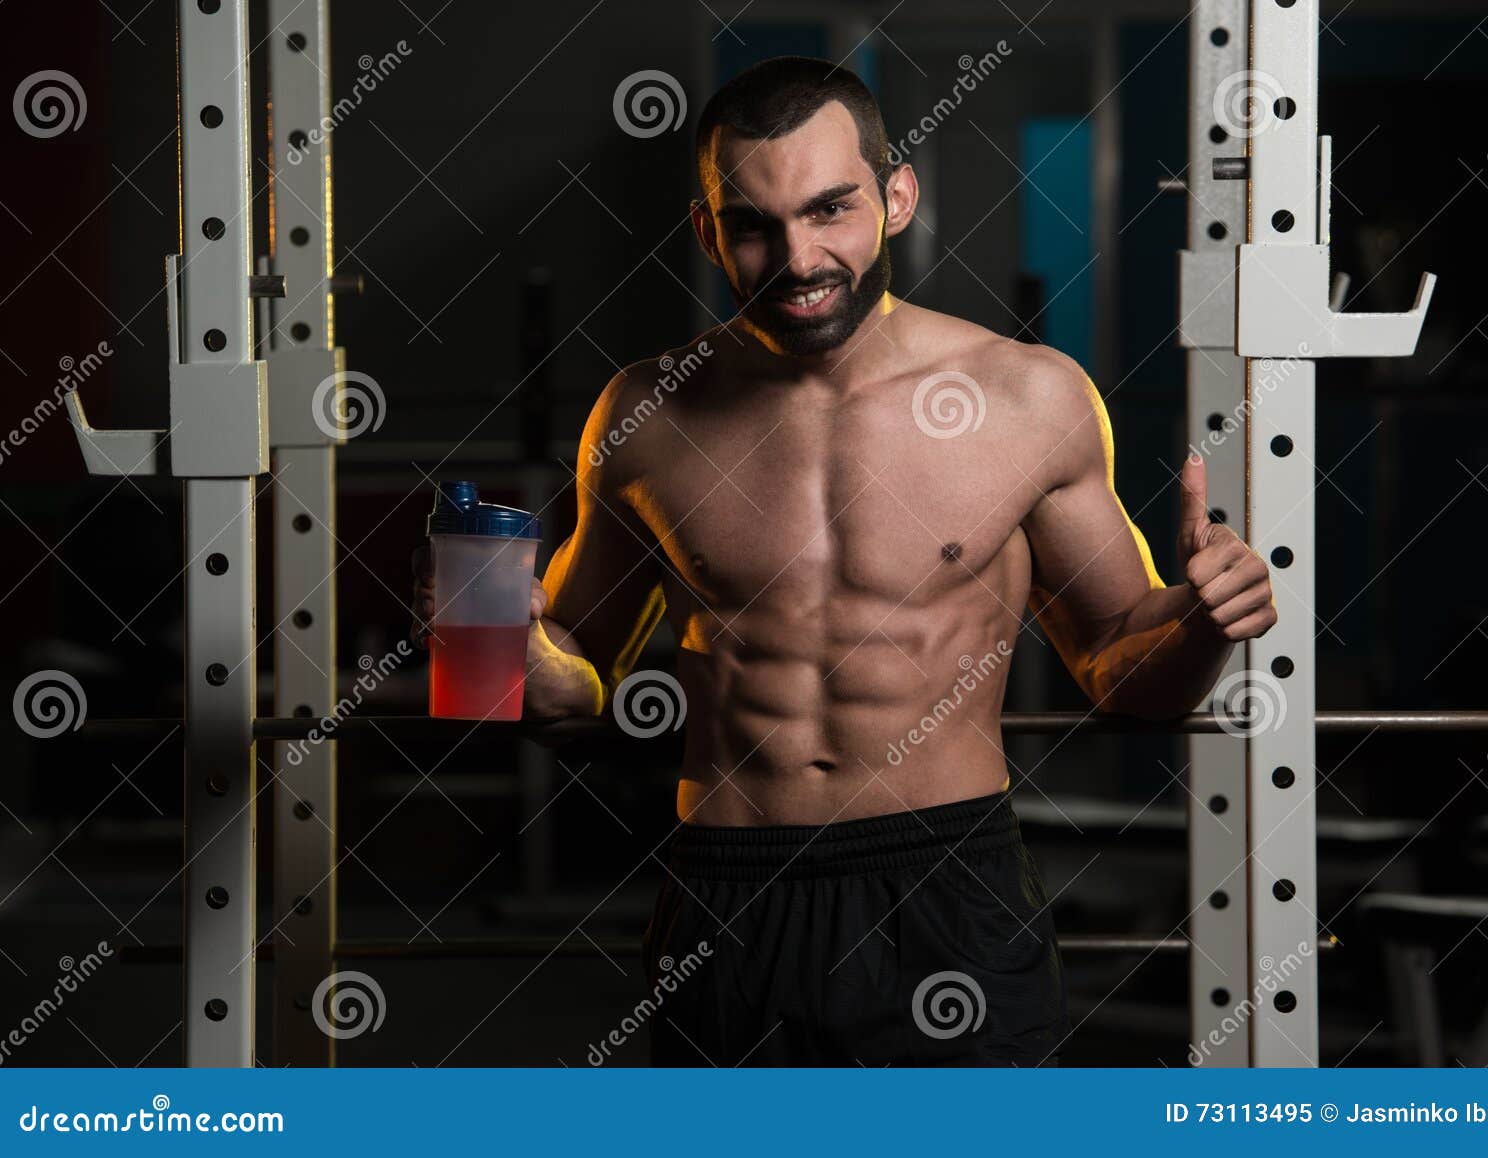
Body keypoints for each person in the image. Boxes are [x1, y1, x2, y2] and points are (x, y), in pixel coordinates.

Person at [411, 56, 1276, 1066]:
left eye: (830, 209)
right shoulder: (644, 416)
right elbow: (572, 687)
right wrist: (492, 640)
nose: (798, 256)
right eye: (752, 224)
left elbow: (1122, 676)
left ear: (896, 195)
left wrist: (1204, 624)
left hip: (946, 884)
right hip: (727, 893)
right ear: (707, 231)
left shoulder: (1031, 398)